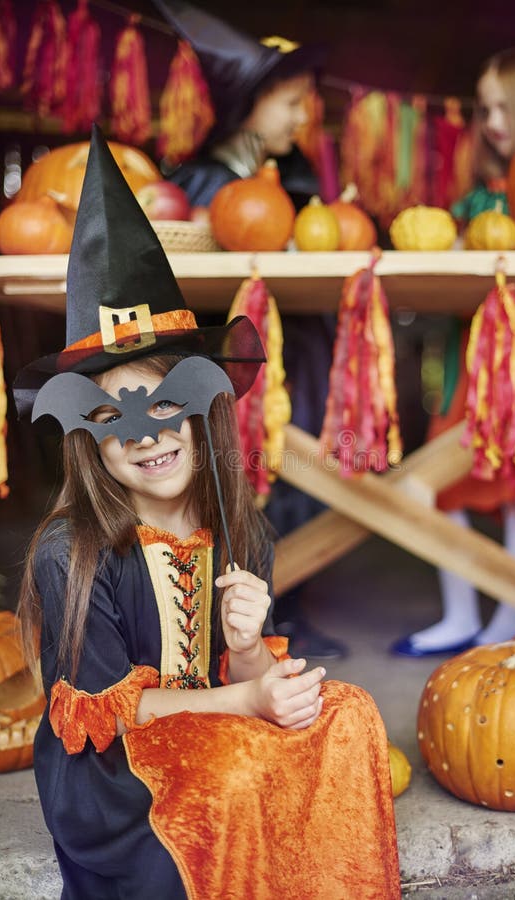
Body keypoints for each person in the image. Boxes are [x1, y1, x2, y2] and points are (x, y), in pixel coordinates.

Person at [14, 126, 401, 899]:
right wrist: (248, 700)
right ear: (89, 438)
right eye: (116, 420)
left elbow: (242, 670)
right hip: (117, 778)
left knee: (350, 714)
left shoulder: (235, 522)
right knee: (236, 772)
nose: (146, 436)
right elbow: (107, 716)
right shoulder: (72, 552)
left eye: (164, 407)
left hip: (215, 719)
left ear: (202, 411)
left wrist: (252, 649)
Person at [153, 1, 345, 659]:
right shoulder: (197, 186)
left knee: (299, 479)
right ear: (247, 104)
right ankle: (230, 621)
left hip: (301, 358)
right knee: (238, 478)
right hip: (234, 363)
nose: (301, 116)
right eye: (290, 101)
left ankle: (290, 603)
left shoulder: (297, 182)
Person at [391, 45, 515, 657]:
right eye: (486, 107)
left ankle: (508, 618)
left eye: (507, 106)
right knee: (445, 477)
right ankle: (461, 612)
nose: (493, 120)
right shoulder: (470, 200)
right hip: (467, 352)